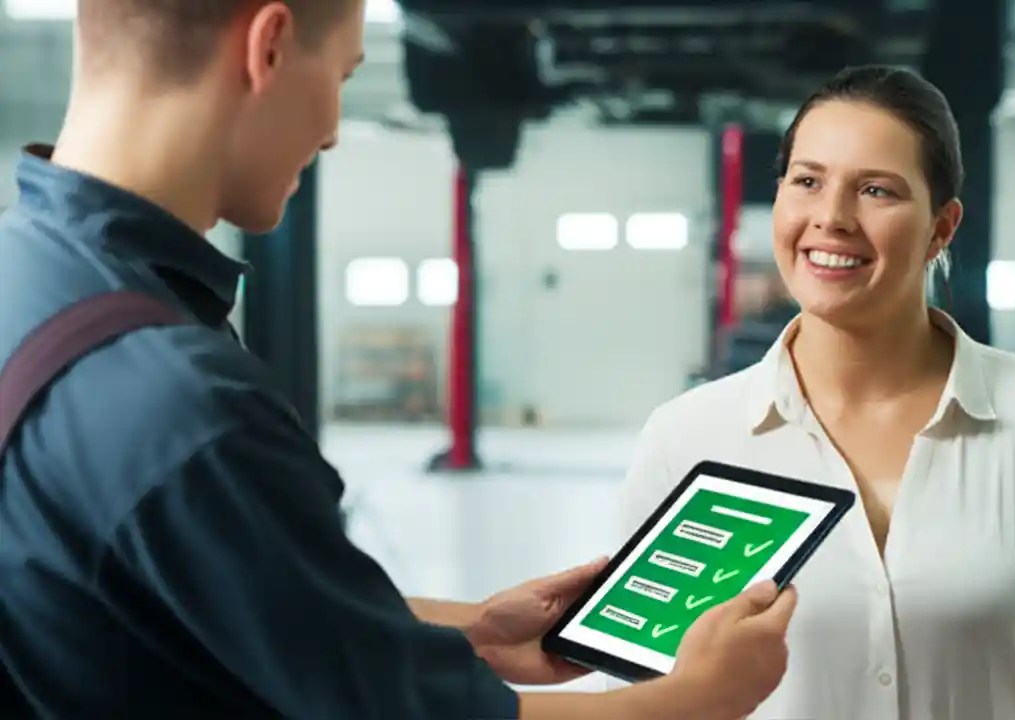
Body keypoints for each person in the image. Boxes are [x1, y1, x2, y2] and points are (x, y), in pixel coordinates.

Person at [0, 1, 799, 718]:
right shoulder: (178, 399)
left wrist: (474, 627)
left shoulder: (29, 277)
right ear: (270, 45)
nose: (334, 129)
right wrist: (698, 699)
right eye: (341, 74)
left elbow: (216, 591)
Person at [611, 65, 1015, 720]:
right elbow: (641, 699)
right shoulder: (687, 439)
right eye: (807, 181)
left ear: (942, 228)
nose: (831, 218)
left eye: (876, 191)